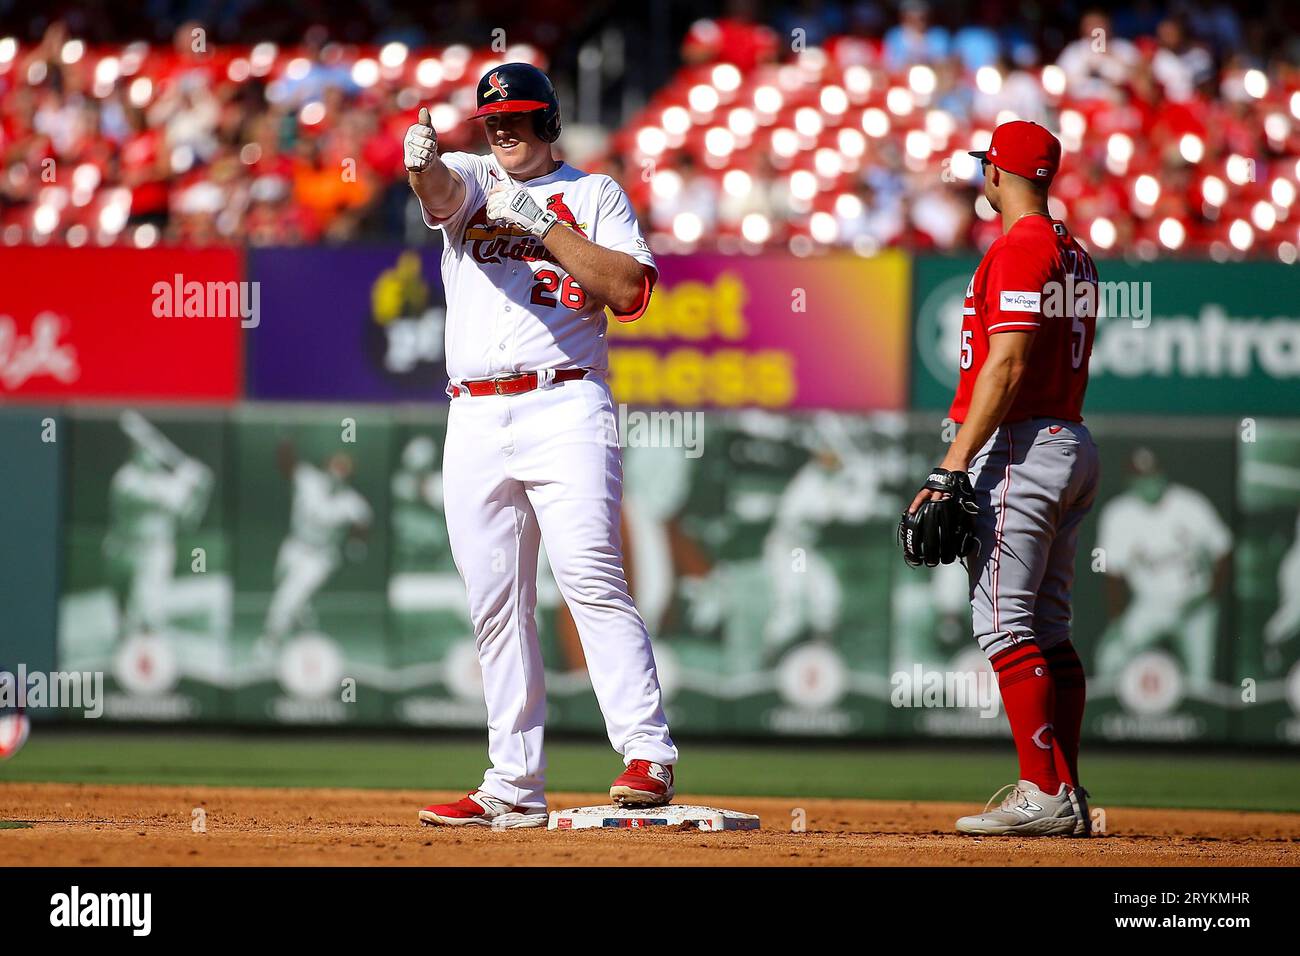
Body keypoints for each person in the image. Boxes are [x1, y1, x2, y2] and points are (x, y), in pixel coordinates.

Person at [404, 63, 677, 828]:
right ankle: (513, 784)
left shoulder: (594, 194)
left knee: (591, 579)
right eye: (493, 119)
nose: (503, 129)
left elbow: (628, 291)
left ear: (549, 122)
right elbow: (441, 194)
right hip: (475, 414)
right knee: (495, 603)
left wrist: (543, 223)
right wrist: (421, 162)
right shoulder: (472, 175)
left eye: (519, 118)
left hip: (564, 401)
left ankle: (648, 754)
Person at [905, 121, 1100, 836]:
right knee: (1048, 627)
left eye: (985, 165)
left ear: (997, 172)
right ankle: (1067, 792)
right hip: (1069, 440)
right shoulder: (1071, 252)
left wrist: (953, 466)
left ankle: (1042, 792)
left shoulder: (1020, 248)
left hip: (1022, 445)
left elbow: (1009, 362)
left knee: (1003, 623)